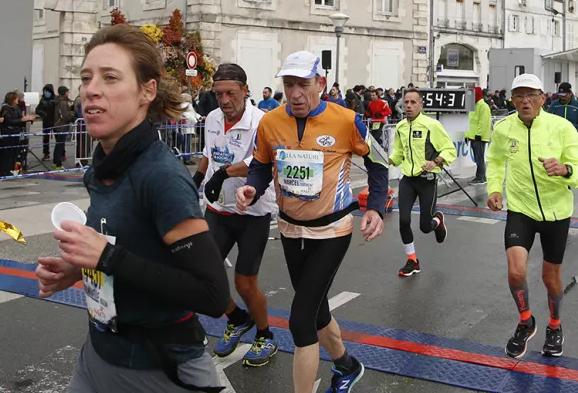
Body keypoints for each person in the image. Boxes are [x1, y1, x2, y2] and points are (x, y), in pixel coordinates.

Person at [36, 24, 229, 393]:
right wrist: (75, 271)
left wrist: (107, 258)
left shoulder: (160, 177)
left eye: (110, 78)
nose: (92, 89)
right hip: (99, 352)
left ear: (147, 91)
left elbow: (213, 296)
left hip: (158, 368)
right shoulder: (101, 168)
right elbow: (130, 246)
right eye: (86, 78)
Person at [235, 51, 388, 393]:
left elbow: (379, 163)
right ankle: (347, 366)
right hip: (290, 229)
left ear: (321, 84)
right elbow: (261, 164)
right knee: (316, 312)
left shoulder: (348, 120)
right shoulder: (270, 121)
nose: (295, 93)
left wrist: (376, 208)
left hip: (332, 230)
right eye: (288, 85)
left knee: (301, 319)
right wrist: (251, 188)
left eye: (303, 84)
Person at [486, 74, 578, 358]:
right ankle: (526, 321)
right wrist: (495, 188)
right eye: (519, 96)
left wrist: (566, 170)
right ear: (512, 100)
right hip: (521, 209)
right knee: (516, 270)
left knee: (551, 278)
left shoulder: (561, 128)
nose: (525, 101)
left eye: (531, 95)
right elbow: (495, 160)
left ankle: (555, 326)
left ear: (543, 99)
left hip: (556, 212)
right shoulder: (503, 128)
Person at [190, 63, 278, 367]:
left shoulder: (262, 121)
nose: (224, 100)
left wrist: (224, 173)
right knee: (203, 274)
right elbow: (208, 152)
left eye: (230, 93)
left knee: (244, 283)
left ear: (245, 91)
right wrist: (198, 179)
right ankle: (237, 318)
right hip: (218, 208)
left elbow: (260, 161)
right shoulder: (213, 118)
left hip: (253, 211)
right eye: (218, 94)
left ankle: (265, 334)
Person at [389, 88, 455, 278]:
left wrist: (435, 162)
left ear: (421, 105)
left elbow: (449, 149)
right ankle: (412, 260)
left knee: (425, 227)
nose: (408, 106)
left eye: (413, 102)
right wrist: (390, 160)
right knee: (403, 221)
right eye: (406, 102)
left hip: (427, 180)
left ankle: (438, 220)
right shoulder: (401, 126)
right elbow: (399, 153)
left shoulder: (431, 125)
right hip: (408, 179)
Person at [467, 86, 492, 183]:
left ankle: (480, 177)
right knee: (478, 158)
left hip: (479, 137)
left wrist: (478, 134)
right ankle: (480, 176)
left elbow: (483, 122)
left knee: (479, 158)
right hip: (475, 137)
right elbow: (471, 122)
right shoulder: (475, 105)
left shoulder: (483, 106)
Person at [53, 86, 76, 168]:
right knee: (60, 146)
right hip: (61, 126)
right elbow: (65, 116)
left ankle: (55, 162)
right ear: (65, 93)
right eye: (67, 92)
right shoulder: (63, 103)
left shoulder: (58, 101)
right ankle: (58, 164)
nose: (68, 93)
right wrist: (73, 112)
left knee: (58, 145)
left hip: (57, 126)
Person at [36, 84, 57, 161]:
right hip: (46, 121)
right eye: (44, 91)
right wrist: (43, 113)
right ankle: (46, 153)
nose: (46, 93)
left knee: (58, 138)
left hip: (55, 121)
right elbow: (37, 110)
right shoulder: (42, 100)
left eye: (47, 91)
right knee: (45, 138)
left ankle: (62, 153)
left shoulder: (55, 99)